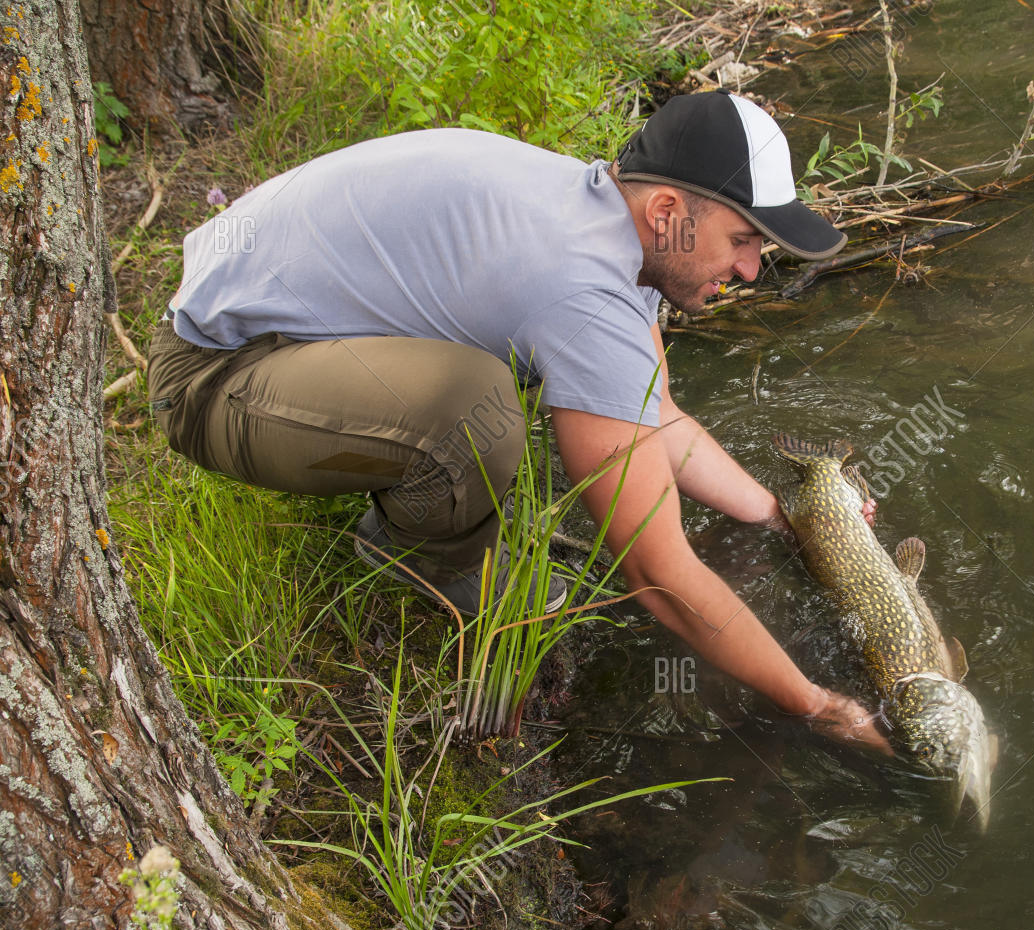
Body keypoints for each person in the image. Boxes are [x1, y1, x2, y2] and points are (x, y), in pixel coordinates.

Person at [146, 90, 890, 754]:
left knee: (485, 400)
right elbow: (656, 576)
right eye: (744, 240)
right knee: (473, 413)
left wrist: (782, 515)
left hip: (272, 326)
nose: (754, 270)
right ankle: (421, 553)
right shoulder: (583, 288)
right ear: (668, 211)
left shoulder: (606, 219)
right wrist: (818, 705)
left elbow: (656, 415)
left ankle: (422, 505)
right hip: (216, 375)